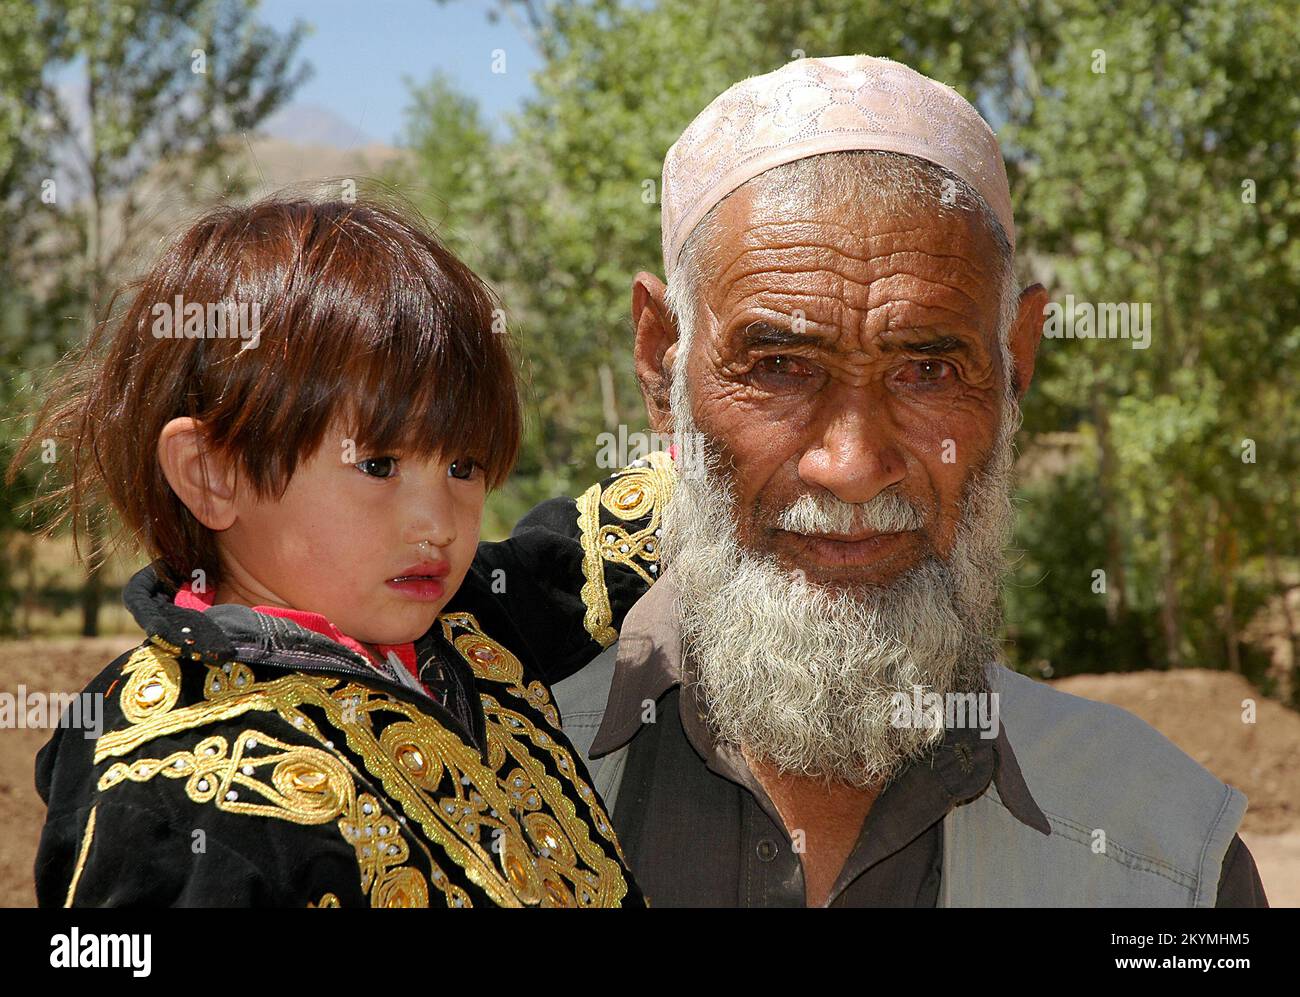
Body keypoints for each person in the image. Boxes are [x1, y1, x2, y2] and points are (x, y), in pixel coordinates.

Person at [548, 54, 1269, 907]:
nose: (852, 467)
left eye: (927, 370)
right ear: (661, 364)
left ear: (1015, 365)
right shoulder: (479, 795)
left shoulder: (1169, 859)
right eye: (779, 365)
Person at [16, 191, 667, 907]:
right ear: (212, 473)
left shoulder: (467, 619)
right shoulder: (165, 789)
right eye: (379, 465)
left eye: (464, 466)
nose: (438, 524)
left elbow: (596, 544)